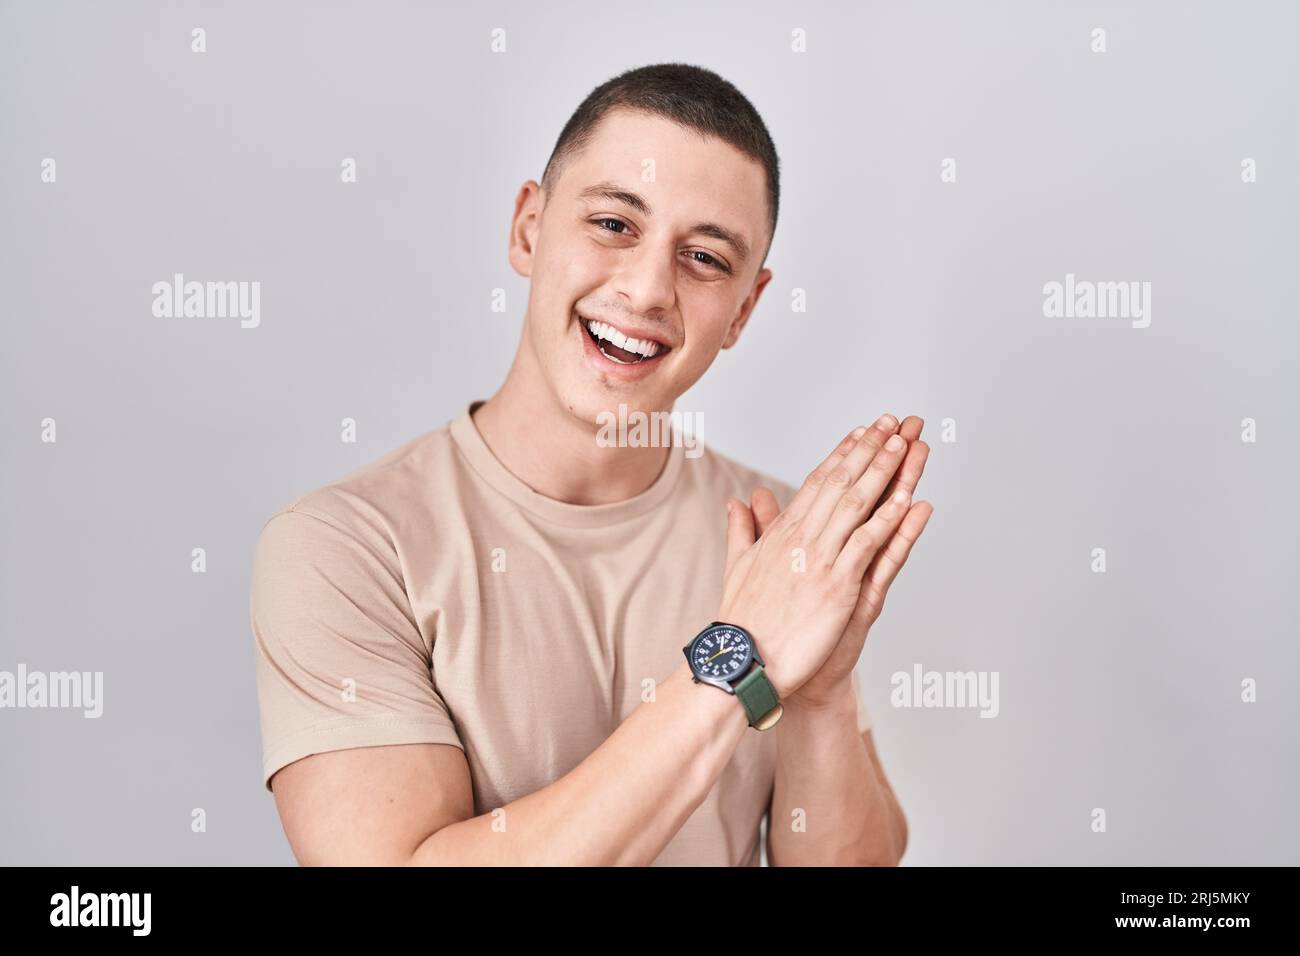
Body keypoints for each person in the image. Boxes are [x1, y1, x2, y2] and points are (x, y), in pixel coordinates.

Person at [250, 62, 933, 866]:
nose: (646, 289)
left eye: (706, 259)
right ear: (529, 229)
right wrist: (742, 654)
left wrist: (817, 695)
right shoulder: (345, 548)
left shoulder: (778, 545)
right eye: (613, 223)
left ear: (744, 309)